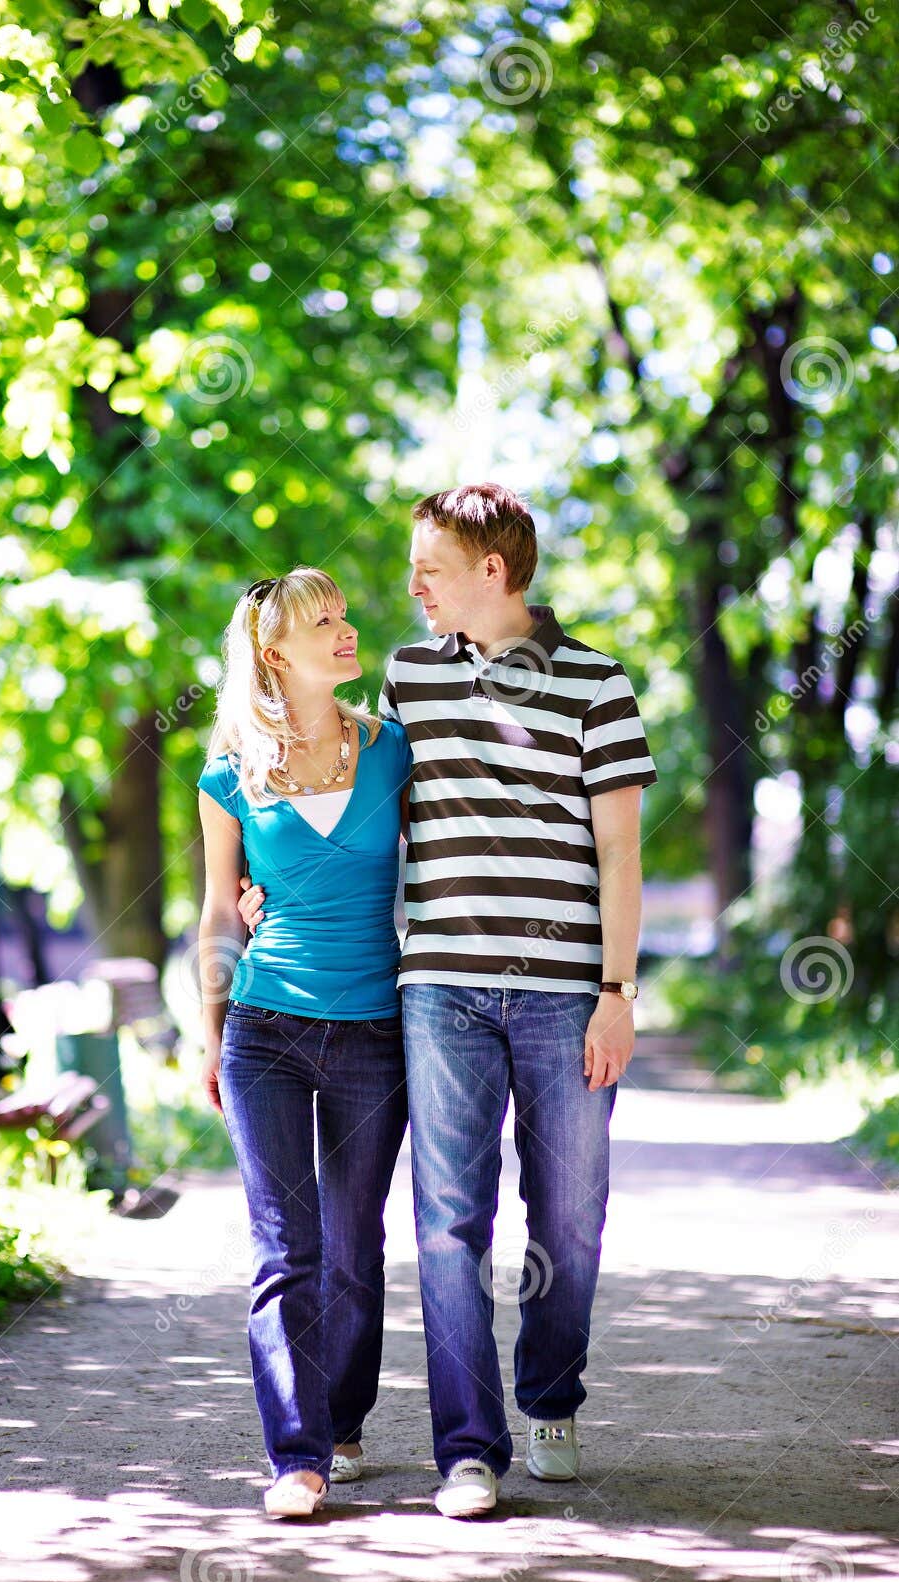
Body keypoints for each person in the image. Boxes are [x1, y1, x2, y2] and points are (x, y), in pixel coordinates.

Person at [237, 484, 658, 1518]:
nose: (413, 584)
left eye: (430, 565)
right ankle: (469, 1449)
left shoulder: (598, 684)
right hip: (437, 992)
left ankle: (550, 1395)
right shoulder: (408, 680)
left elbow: (620, 850)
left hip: (566, 996)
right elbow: (333, 783)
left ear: (494, 572)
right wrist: (267, 886)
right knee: (446, 1222)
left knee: (571, 1214)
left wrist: (617, 992)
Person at [195, 568, 412, 1519]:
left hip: (372, 1029)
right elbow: (215, 912)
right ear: (274, 653)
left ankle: (344, 1420)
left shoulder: (394, 752)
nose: (344, 627)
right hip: (264, 1030)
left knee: (353, 1243)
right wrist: (206, 1035)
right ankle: (295, 1457)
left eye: (343, 614)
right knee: (286, 1249)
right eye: (320, 621)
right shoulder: (227, 774)